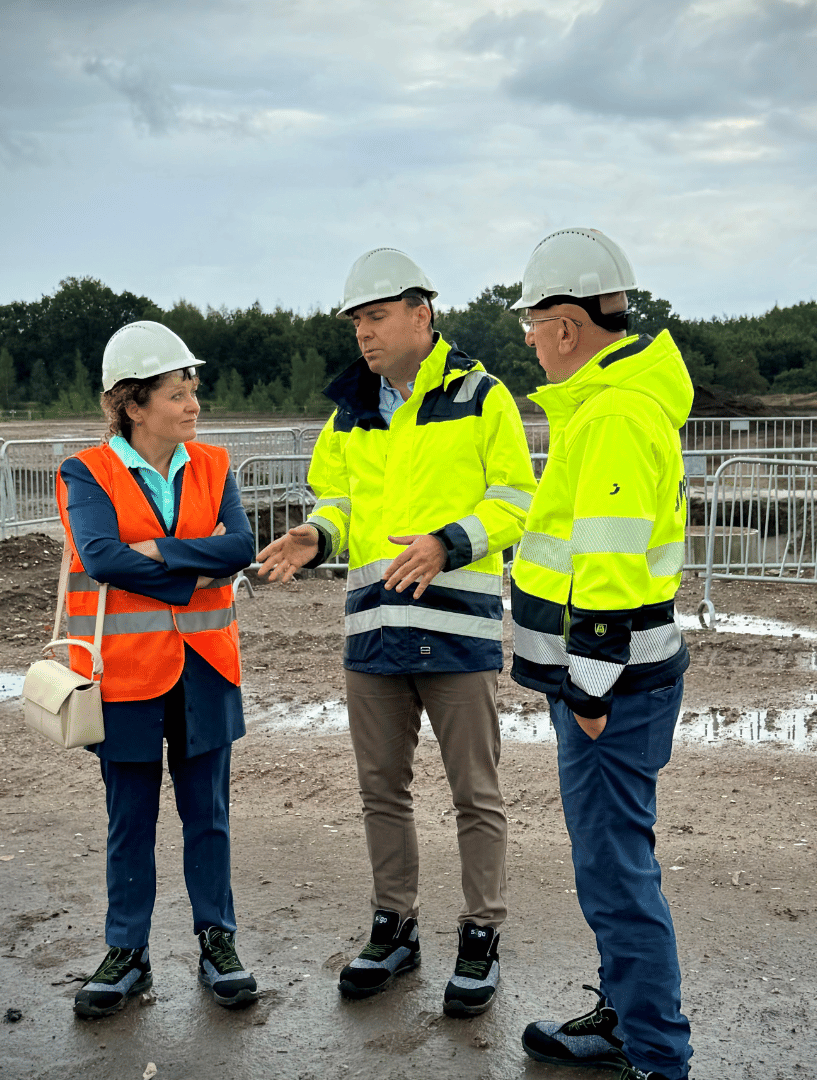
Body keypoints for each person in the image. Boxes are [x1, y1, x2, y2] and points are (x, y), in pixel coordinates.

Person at [257, 248, 536, 1017]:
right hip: (374, 630)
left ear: (422, 314)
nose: (364, 334)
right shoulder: (351, 411)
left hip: (456, 630)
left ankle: (480, 934)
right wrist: (317, 534)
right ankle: (394, 928)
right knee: (381, 790)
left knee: (475, 793)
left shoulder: (482, 396)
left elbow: (517, 500)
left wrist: (449, 542)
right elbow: (340, 503)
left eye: (376, 317)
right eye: (356, 322)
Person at [508, 229, 693, 1080]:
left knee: (616, 876)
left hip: (612, 689)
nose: (530, 340)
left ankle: (654, 1055)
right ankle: (628, 1021)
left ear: (568, 326)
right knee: (615, 864)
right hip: (620, 682)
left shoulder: (614, 414)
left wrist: (586, 688)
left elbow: (611, 569)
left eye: (532, 324)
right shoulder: (613, 404)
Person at [56, 320, 258, 1018]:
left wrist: (157, 553)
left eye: (193, 389)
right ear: (133, 405)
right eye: (178, 393)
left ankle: (218, 942)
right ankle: (127, 952)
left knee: (209, 816)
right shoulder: (86, 472)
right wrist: (193, 568)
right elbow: (100, 556)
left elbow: (240, 547)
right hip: (124, 676)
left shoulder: (215, 464)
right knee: (129, 820)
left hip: (207, 668)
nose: (194, 404)